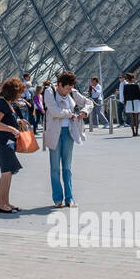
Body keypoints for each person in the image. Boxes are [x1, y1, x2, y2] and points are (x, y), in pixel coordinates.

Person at [43, 71, 91, 208]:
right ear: (59, 85)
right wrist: (70, 114)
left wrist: (84, 112)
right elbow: (54, 111)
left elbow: (88, 102)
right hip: (54, 132)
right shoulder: (49, 92)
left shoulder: (72, 91)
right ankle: (58, 198)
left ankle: (69, 198)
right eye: (67, 88)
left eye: (71, 88)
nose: (69, 91)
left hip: (69, 132)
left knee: (67, 167)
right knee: (55, 167)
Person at [0, 76, 27, 212]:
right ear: (13, 91)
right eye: (19, 92)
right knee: (6, 172)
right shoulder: (0, 103)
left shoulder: (7, 103)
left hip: (7, 141)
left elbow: (6, 120)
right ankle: (1, 204)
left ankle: (6, 202)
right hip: (2, 141)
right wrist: (11, 129)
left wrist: (17, 123)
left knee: (9, 172)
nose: (20, 95)